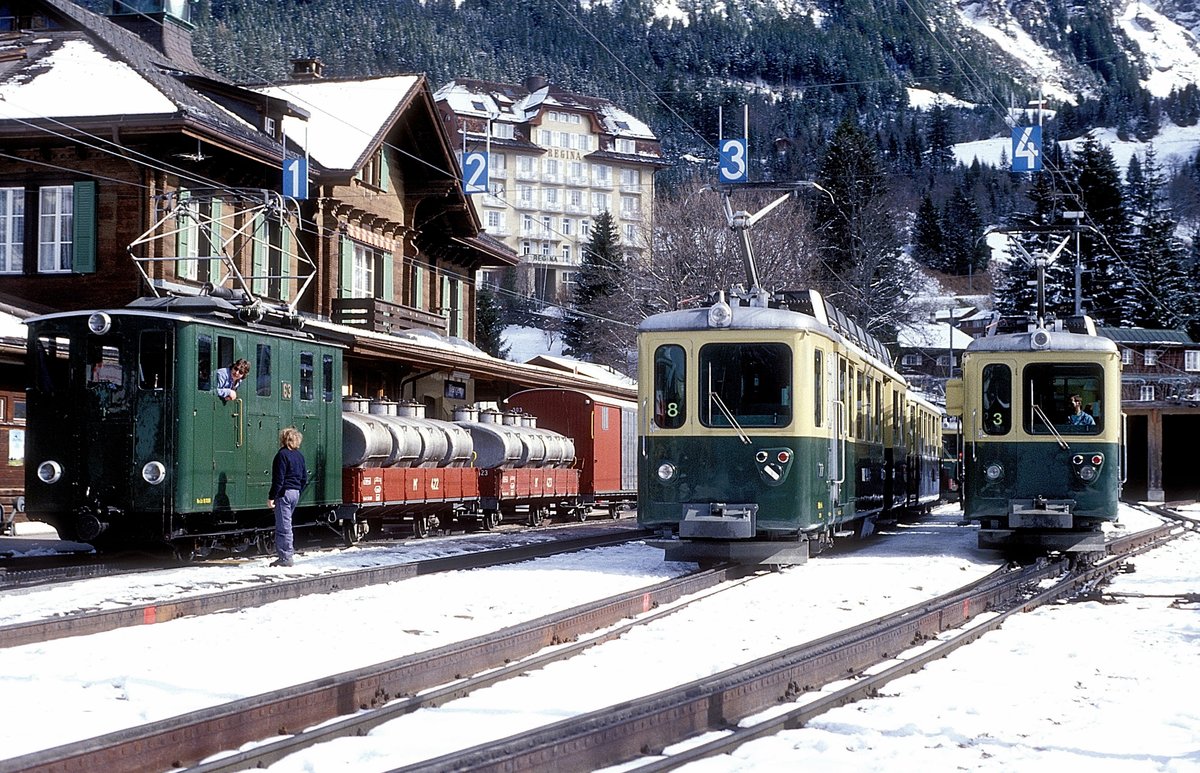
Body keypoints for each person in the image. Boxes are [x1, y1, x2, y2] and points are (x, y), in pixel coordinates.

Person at [267, 427, 308, 567]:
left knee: (284, 527)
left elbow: (279, 479)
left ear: (284, 439)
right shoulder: (299, 456)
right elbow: (304, 478)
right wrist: (297, 490)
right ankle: (285, 554)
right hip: (295, 493)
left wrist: (272, 496)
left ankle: (286, 558)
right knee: (286, 524)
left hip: (284, 493)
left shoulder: (282, 455)